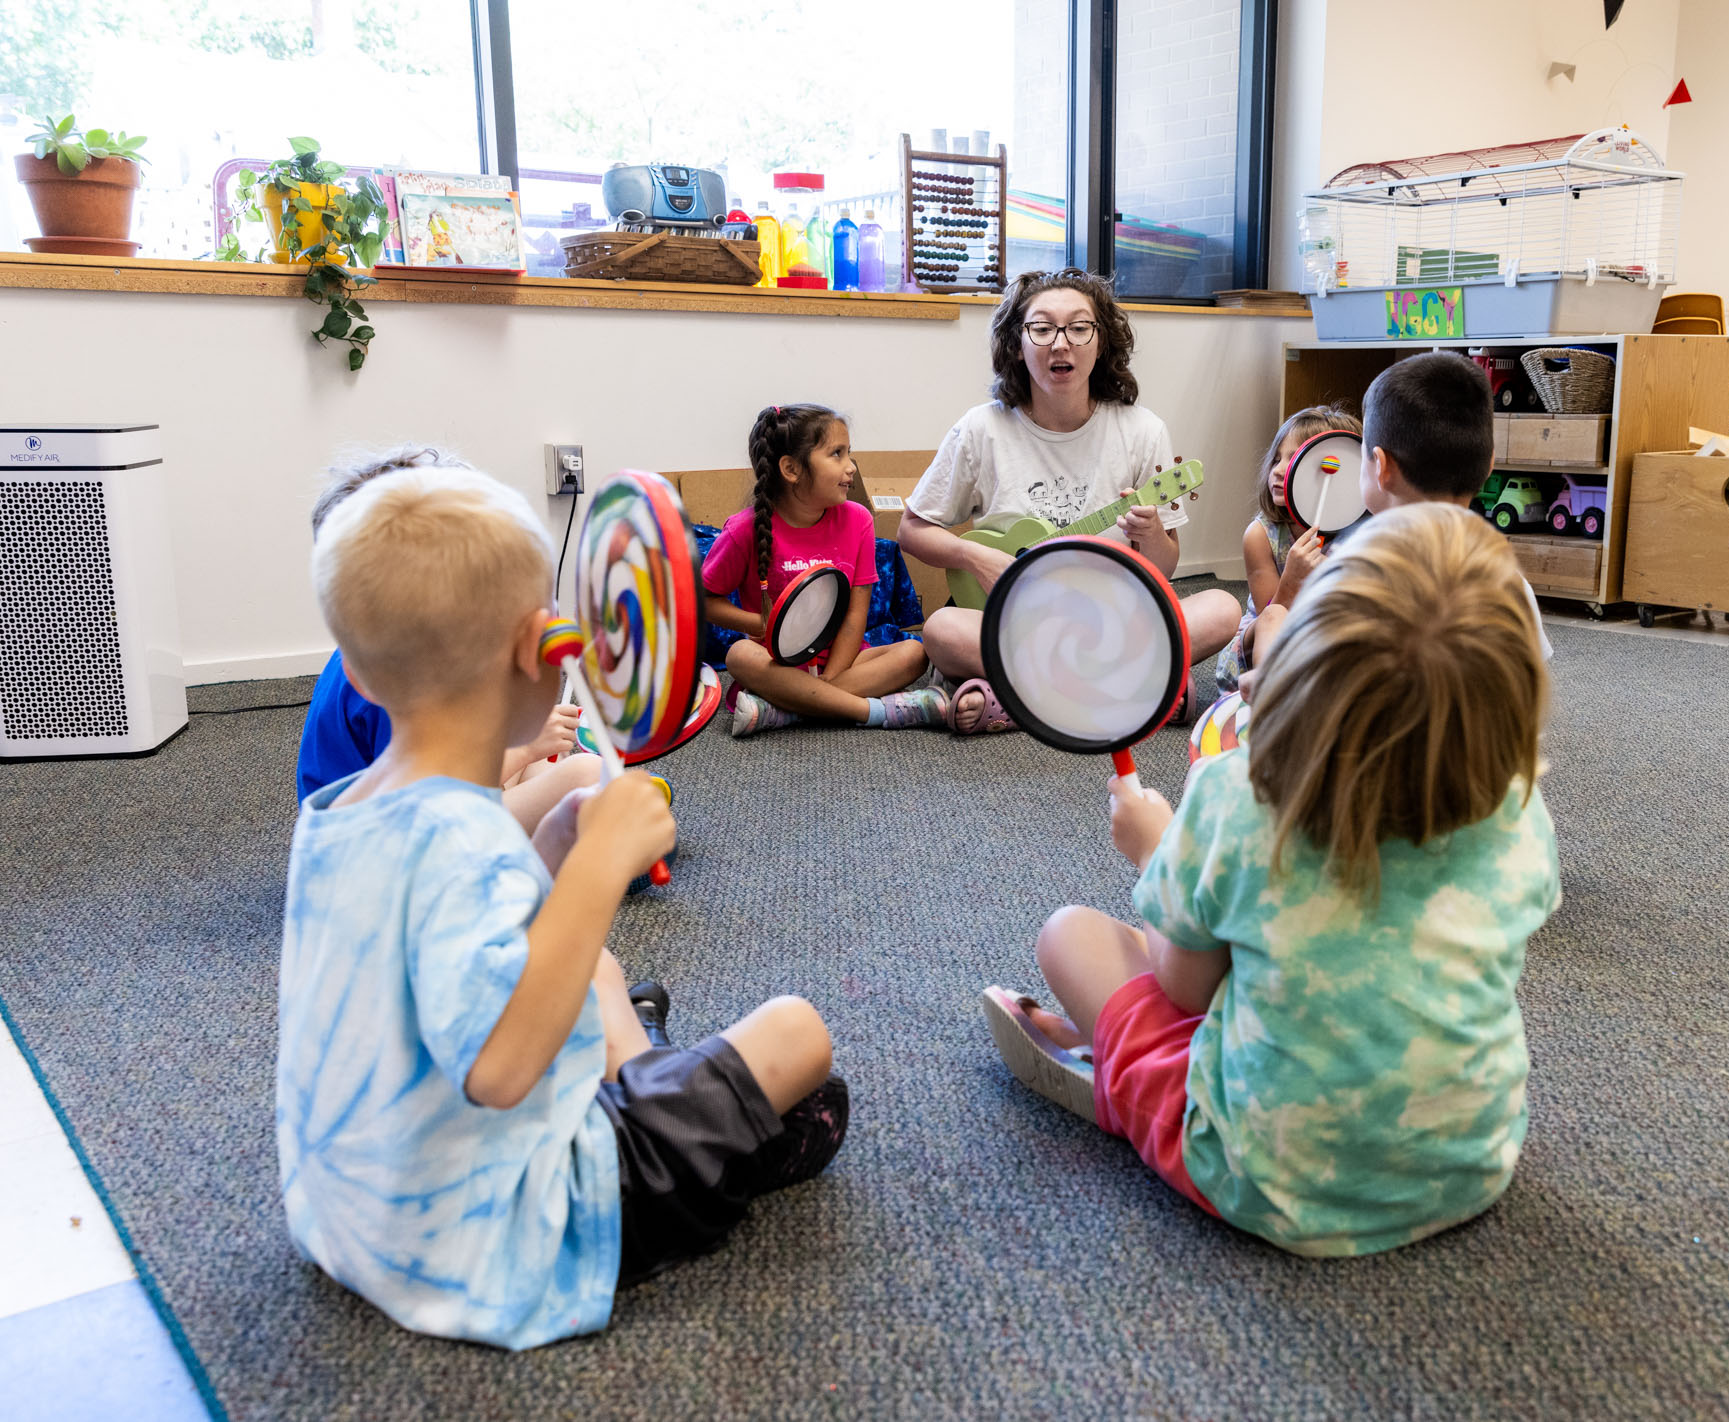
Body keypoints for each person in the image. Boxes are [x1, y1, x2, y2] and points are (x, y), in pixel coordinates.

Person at [278, 463, 847, 1349]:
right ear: (536, 650)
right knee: (799, 1036)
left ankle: (645, 1070)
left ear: (353, 662)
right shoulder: (458, 846)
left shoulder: (342, 813)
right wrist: (601, 865)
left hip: (358, 1212)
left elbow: (461, 930)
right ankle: (684, 1114)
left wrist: (556, 849)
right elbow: (501, 1070)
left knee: (605, 968)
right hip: (503, 1232)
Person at [980, 503, 1560, 1257]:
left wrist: (1157, 854)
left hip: (1269, 1179)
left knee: (1072, 936)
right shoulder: (1519, 811)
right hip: (1470, 1160)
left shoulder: (1239, 801)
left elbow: (1189, 989)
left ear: (1300, 678)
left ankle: (1132, 1098)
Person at [897, 268, 1242, 734]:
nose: (1061, 343)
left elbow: (1161, 570)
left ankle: (1017, 695)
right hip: (1012, 624)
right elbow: (911, 530)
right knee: (941, 630)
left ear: (1102, 343)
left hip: (1110, 624)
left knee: (1223, 607)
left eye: (1079, 328)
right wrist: (975, 557)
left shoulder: (1143, 431)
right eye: (1042, 328)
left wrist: (1151, 534)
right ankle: (1133, 690)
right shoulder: (981, 429)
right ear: (1017, 343)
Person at [294, 446, 606, 840]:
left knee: (550, 768)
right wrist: (598, 871)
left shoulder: (389, 656)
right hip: (407, 832)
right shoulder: (403, 691)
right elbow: (438, 797)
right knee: (584, 773)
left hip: (408, 813)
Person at [1251, 353, 1554, 664]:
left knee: (1251, 675)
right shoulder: (1509, 580)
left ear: (1380, 467)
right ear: (1490, 463)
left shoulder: (1352, 574)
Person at [702, 404, 948, 738]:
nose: (851, 467)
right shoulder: (743, 530)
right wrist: (762, 623)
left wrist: (827, 682)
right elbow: (706, 602)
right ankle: (876, 712)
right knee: (738, 655)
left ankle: (789, 710)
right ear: (791, 469)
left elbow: (855, 615)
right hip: (776, 665)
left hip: (842, 662)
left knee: (915, 652)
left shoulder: (858, 520)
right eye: (836, 454)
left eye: (849, 453)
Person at [1212, 404, 1354, 693]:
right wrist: (1293, 578)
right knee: (1275, 616)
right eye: (1276, 459)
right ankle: (1267, 698)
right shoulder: (1261, 535)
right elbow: (1270, 611)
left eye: (1294, 460)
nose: (1277, 470)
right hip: (1263, 645)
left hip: (1323, 646)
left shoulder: (1357, 535)